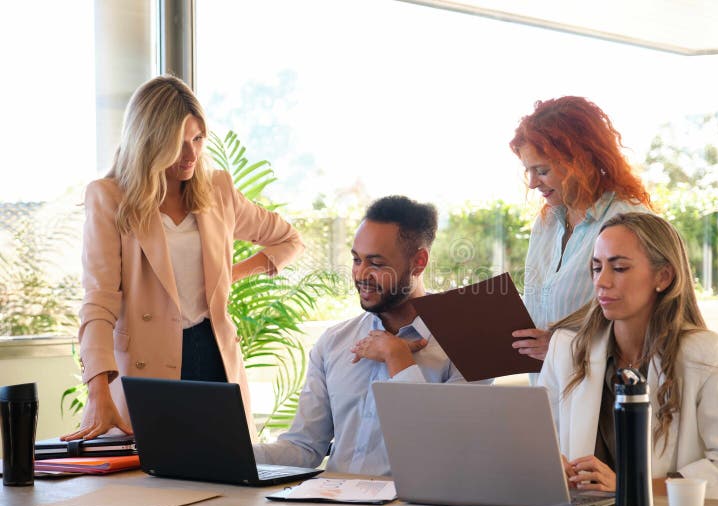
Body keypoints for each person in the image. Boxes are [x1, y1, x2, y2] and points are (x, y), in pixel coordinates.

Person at [62, 75, 303, 441]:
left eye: (197, 139)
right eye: (178, 143)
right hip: (147, 369)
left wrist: (228, 274)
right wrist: (97, 390)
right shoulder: (109, 198)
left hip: (215, 356)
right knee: (151, 488)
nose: (192, 155)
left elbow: (288, 239)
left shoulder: (218, 190)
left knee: (227, 484)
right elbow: (99, 302)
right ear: (150, 142)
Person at [538, 212, 718, 500]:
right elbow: (539, 447)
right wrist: (553, 468)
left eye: (619, 268)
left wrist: (630, 487)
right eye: (596, 267)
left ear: (663, 276)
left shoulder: (704, 354)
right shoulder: (566, 349)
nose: (601, 281)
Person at [253, 196, 472, 476]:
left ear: (418, 262)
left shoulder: (466, 342)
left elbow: (444, 452)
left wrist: (398, 359)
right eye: (357, 260)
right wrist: (233, 453)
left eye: (377, 264)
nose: (361, 274)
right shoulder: (333, 342)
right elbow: (304, 449)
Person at [508, 96, 652, 364]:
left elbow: (648, 326)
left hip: (604, 396)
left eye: (541, 170)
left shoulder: (630, 221)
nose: (531, 183)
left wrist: (565, 346)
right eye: (528, 171)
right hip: (547, 394)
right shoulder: (547, 222)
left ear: (581, 161)